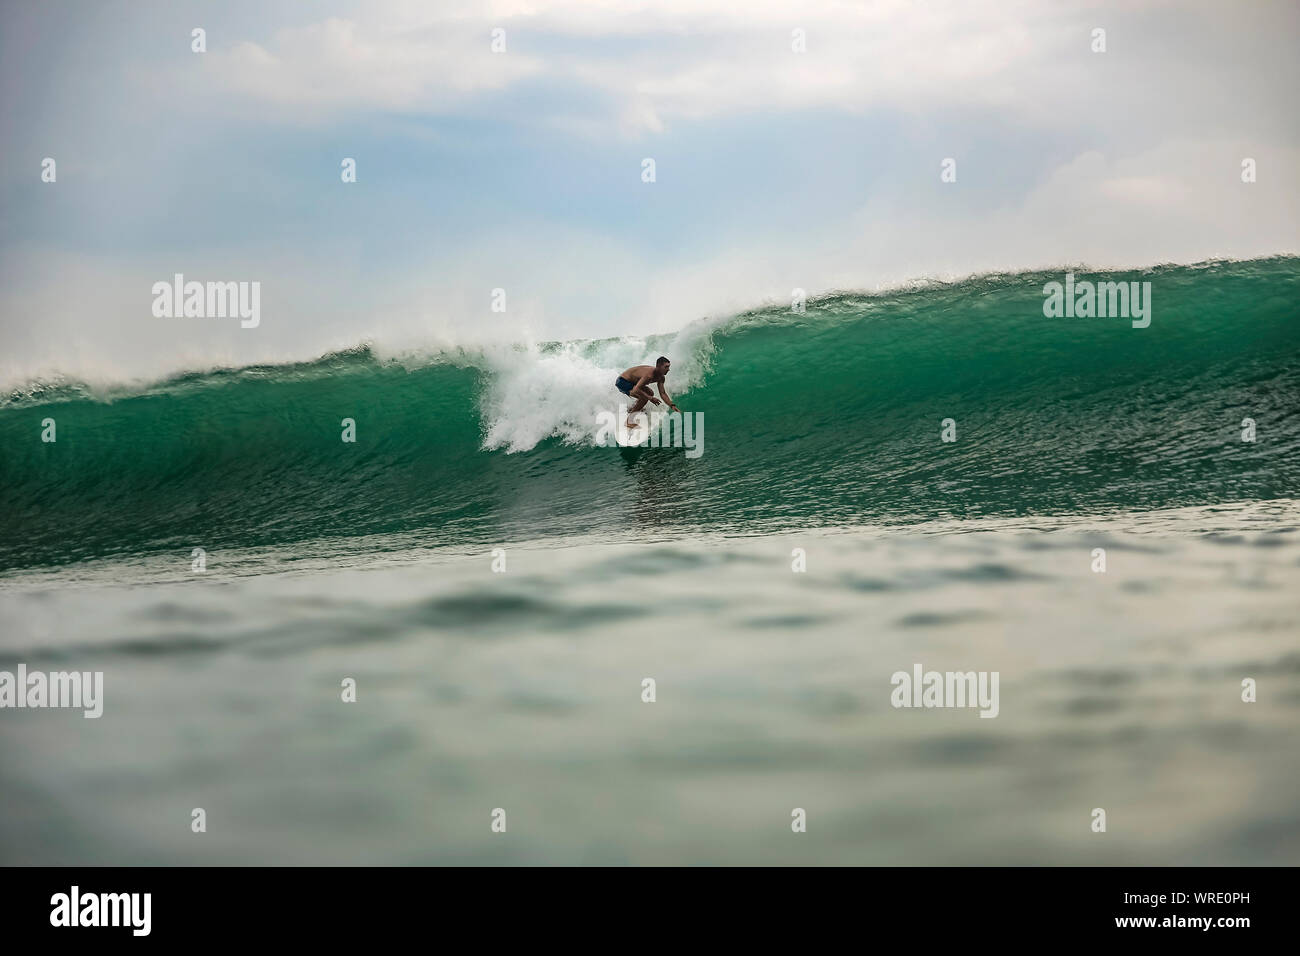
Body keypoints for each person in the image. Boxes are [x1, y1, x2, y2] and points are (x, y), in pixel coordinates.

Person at [614, 356, 680, 428]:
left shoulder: (661, 377)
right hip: (622, 382)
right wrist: (650, 398)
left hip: (633, 383)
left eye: (668, 367)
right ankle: (628, 421)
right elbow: (636, 389)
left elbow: (663, 393)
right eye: (666, 367)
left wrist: (671, 405)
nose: (668, 369)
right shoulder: (649, 375)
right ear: (658, 366)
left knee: (650, 393)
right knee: (645, 397)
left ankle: (632, 408)